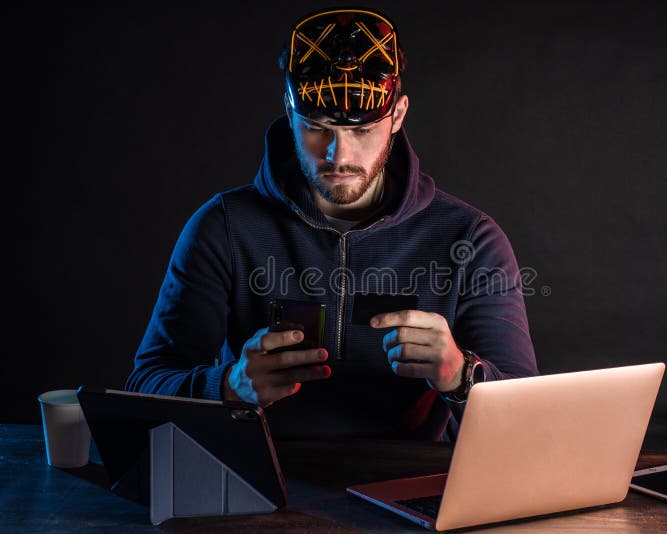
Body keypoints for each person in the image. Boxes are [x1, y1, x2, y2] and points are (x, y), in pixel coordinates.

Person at [125, 7, 538, 440]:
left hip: (416, 486)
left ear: (397, 116)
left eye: (362, 132)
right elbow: (145, 385)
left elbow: (526, 413)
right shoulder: (223, 227)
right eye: (317, 128)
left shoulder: (472, 239)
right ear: (289, 112)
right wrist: (227, 386)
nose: (338, 156)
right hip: (261, 476)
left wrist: (460, 373)